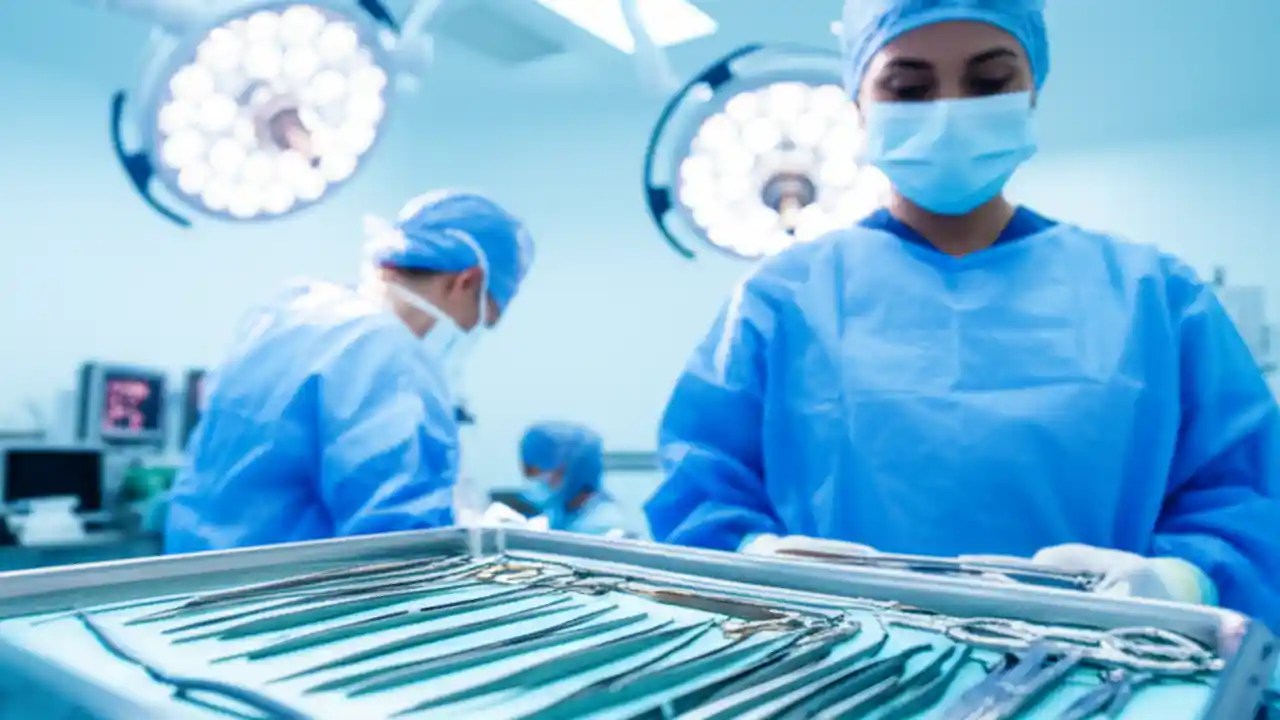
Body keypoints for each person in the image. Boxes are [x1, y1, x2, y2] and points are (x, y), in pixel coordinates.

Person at [646, 0, 1280, 627]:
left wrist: (1181, 580)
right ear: (859, 105)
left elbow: (1246, 502)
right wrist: (753, 559)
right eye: (909, 86)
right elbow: (701, 495)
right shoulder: (781, 297)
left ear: (1033, 88)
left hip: (1104, 672)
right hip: (839, 673)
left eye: (988, 82)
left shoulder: (1156, 294)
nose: (948, 110)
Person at [165, 190, 534, 553]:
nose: (468, 332)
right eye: (480, 319)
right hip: (290, 603)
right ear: (465, 282)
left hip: (196, 592)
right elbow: (399, 547)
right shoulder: (390, 355)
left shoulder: (287, 314)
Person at [518, 422, 627, 536]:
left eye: (543, 472)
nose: (539, 481)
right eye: (532, 473)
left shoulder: (603, 524)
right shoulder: (559, 512)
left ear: (576, 473)